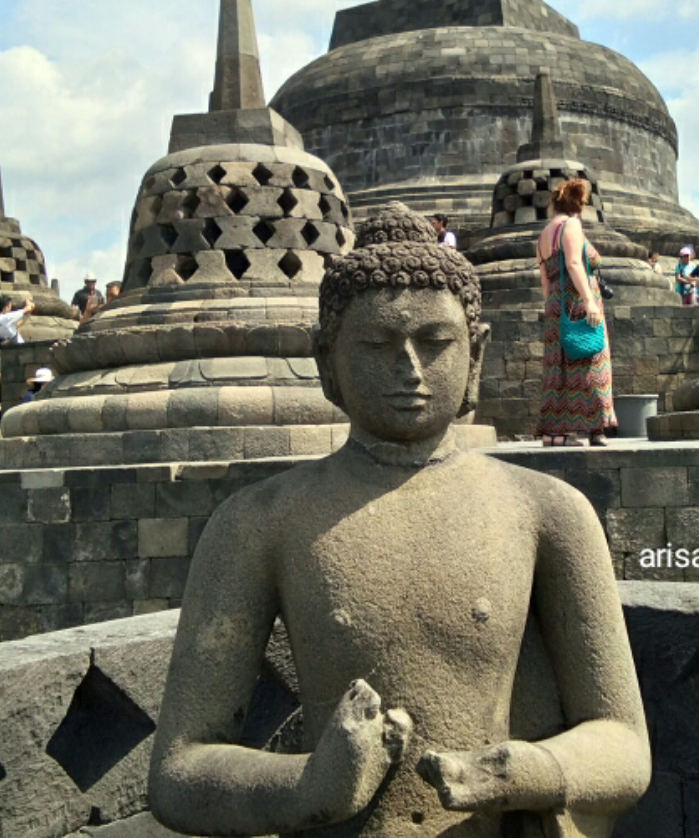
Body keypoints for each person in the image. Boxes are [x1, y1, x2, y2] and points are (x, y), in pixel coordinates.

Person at [148, 204, 650, 837]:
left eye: (436, 344)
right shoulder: (257, 523)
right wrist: (308, 787)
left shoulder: (547, 512)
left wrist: (534, 770)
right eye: (377, 345)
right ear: (326, 361)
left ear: (477, 356)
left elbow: (625, 745)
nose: (409, 369)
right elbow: (177, 771)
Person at [535, 178, 616, 447]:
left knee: (558, 369)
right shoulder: (571, 225)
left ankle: (555, 432)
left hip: (556, 306)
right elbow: (573, 263)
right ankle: (596, 428)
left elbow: (545, 279)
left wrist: (552, 310)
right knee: (591, 360)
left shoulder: (544, 235)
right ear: (576, 205)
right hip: (577, 300)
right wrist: (590, 301)